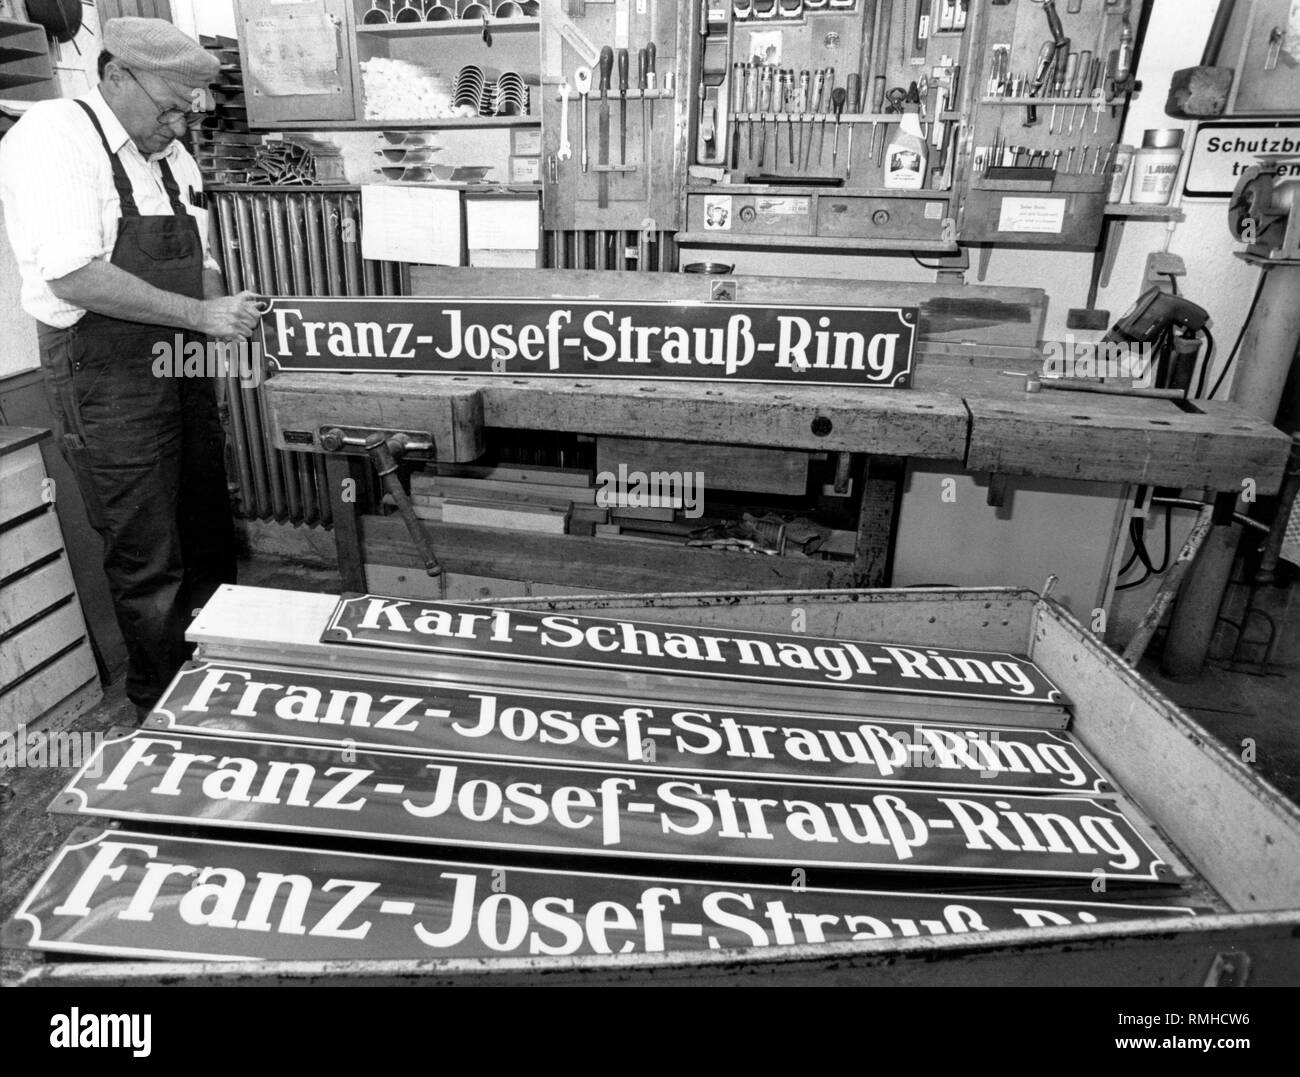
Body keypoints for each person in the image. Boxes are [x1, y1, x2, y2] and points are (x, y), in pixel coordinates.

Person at [0, 17, 262, 717]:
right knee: (148, 554)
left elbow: (197, 257)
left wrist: (222, 307)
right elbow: (75, 275)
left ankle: (225, 683)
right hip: (103, 375)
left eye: (188, 112)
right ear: (115, 74)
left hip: (178, 366)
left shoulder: (170, 157)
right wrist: (202, 319)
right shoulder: (55, 137)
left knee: (206, 531)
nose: (178, 127)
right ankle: (167, 710)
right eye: (169, 107)